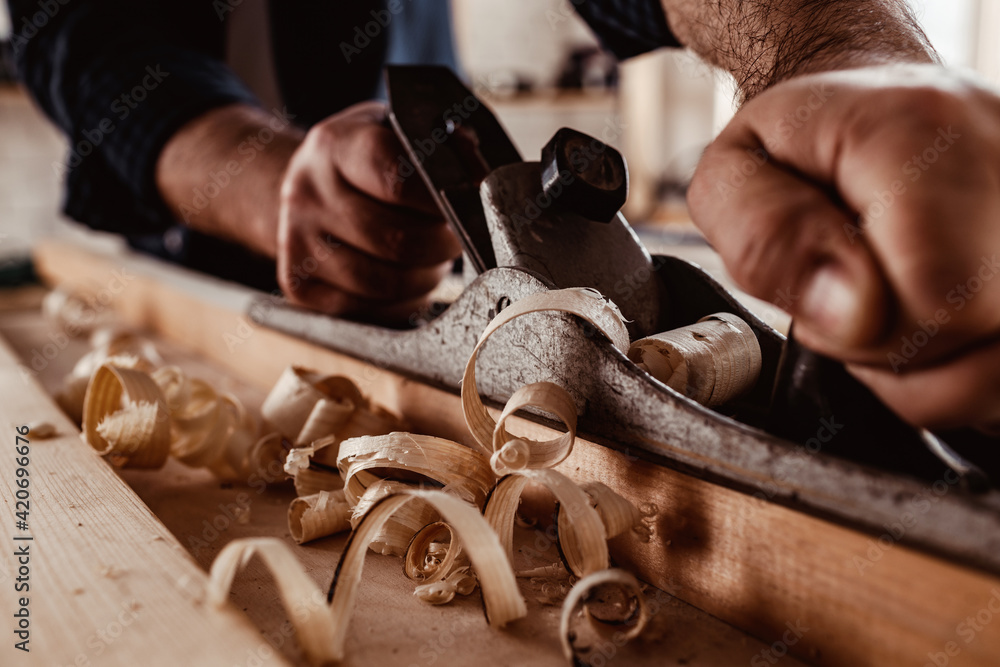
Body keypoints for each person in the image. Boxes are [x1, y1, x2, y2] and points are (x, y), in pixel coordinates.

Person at [8, 0, 999, 432]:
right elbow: (89, 37)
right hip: (206, 291)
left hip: (462, 270)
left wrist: (831, 51)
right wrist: (264, 181)